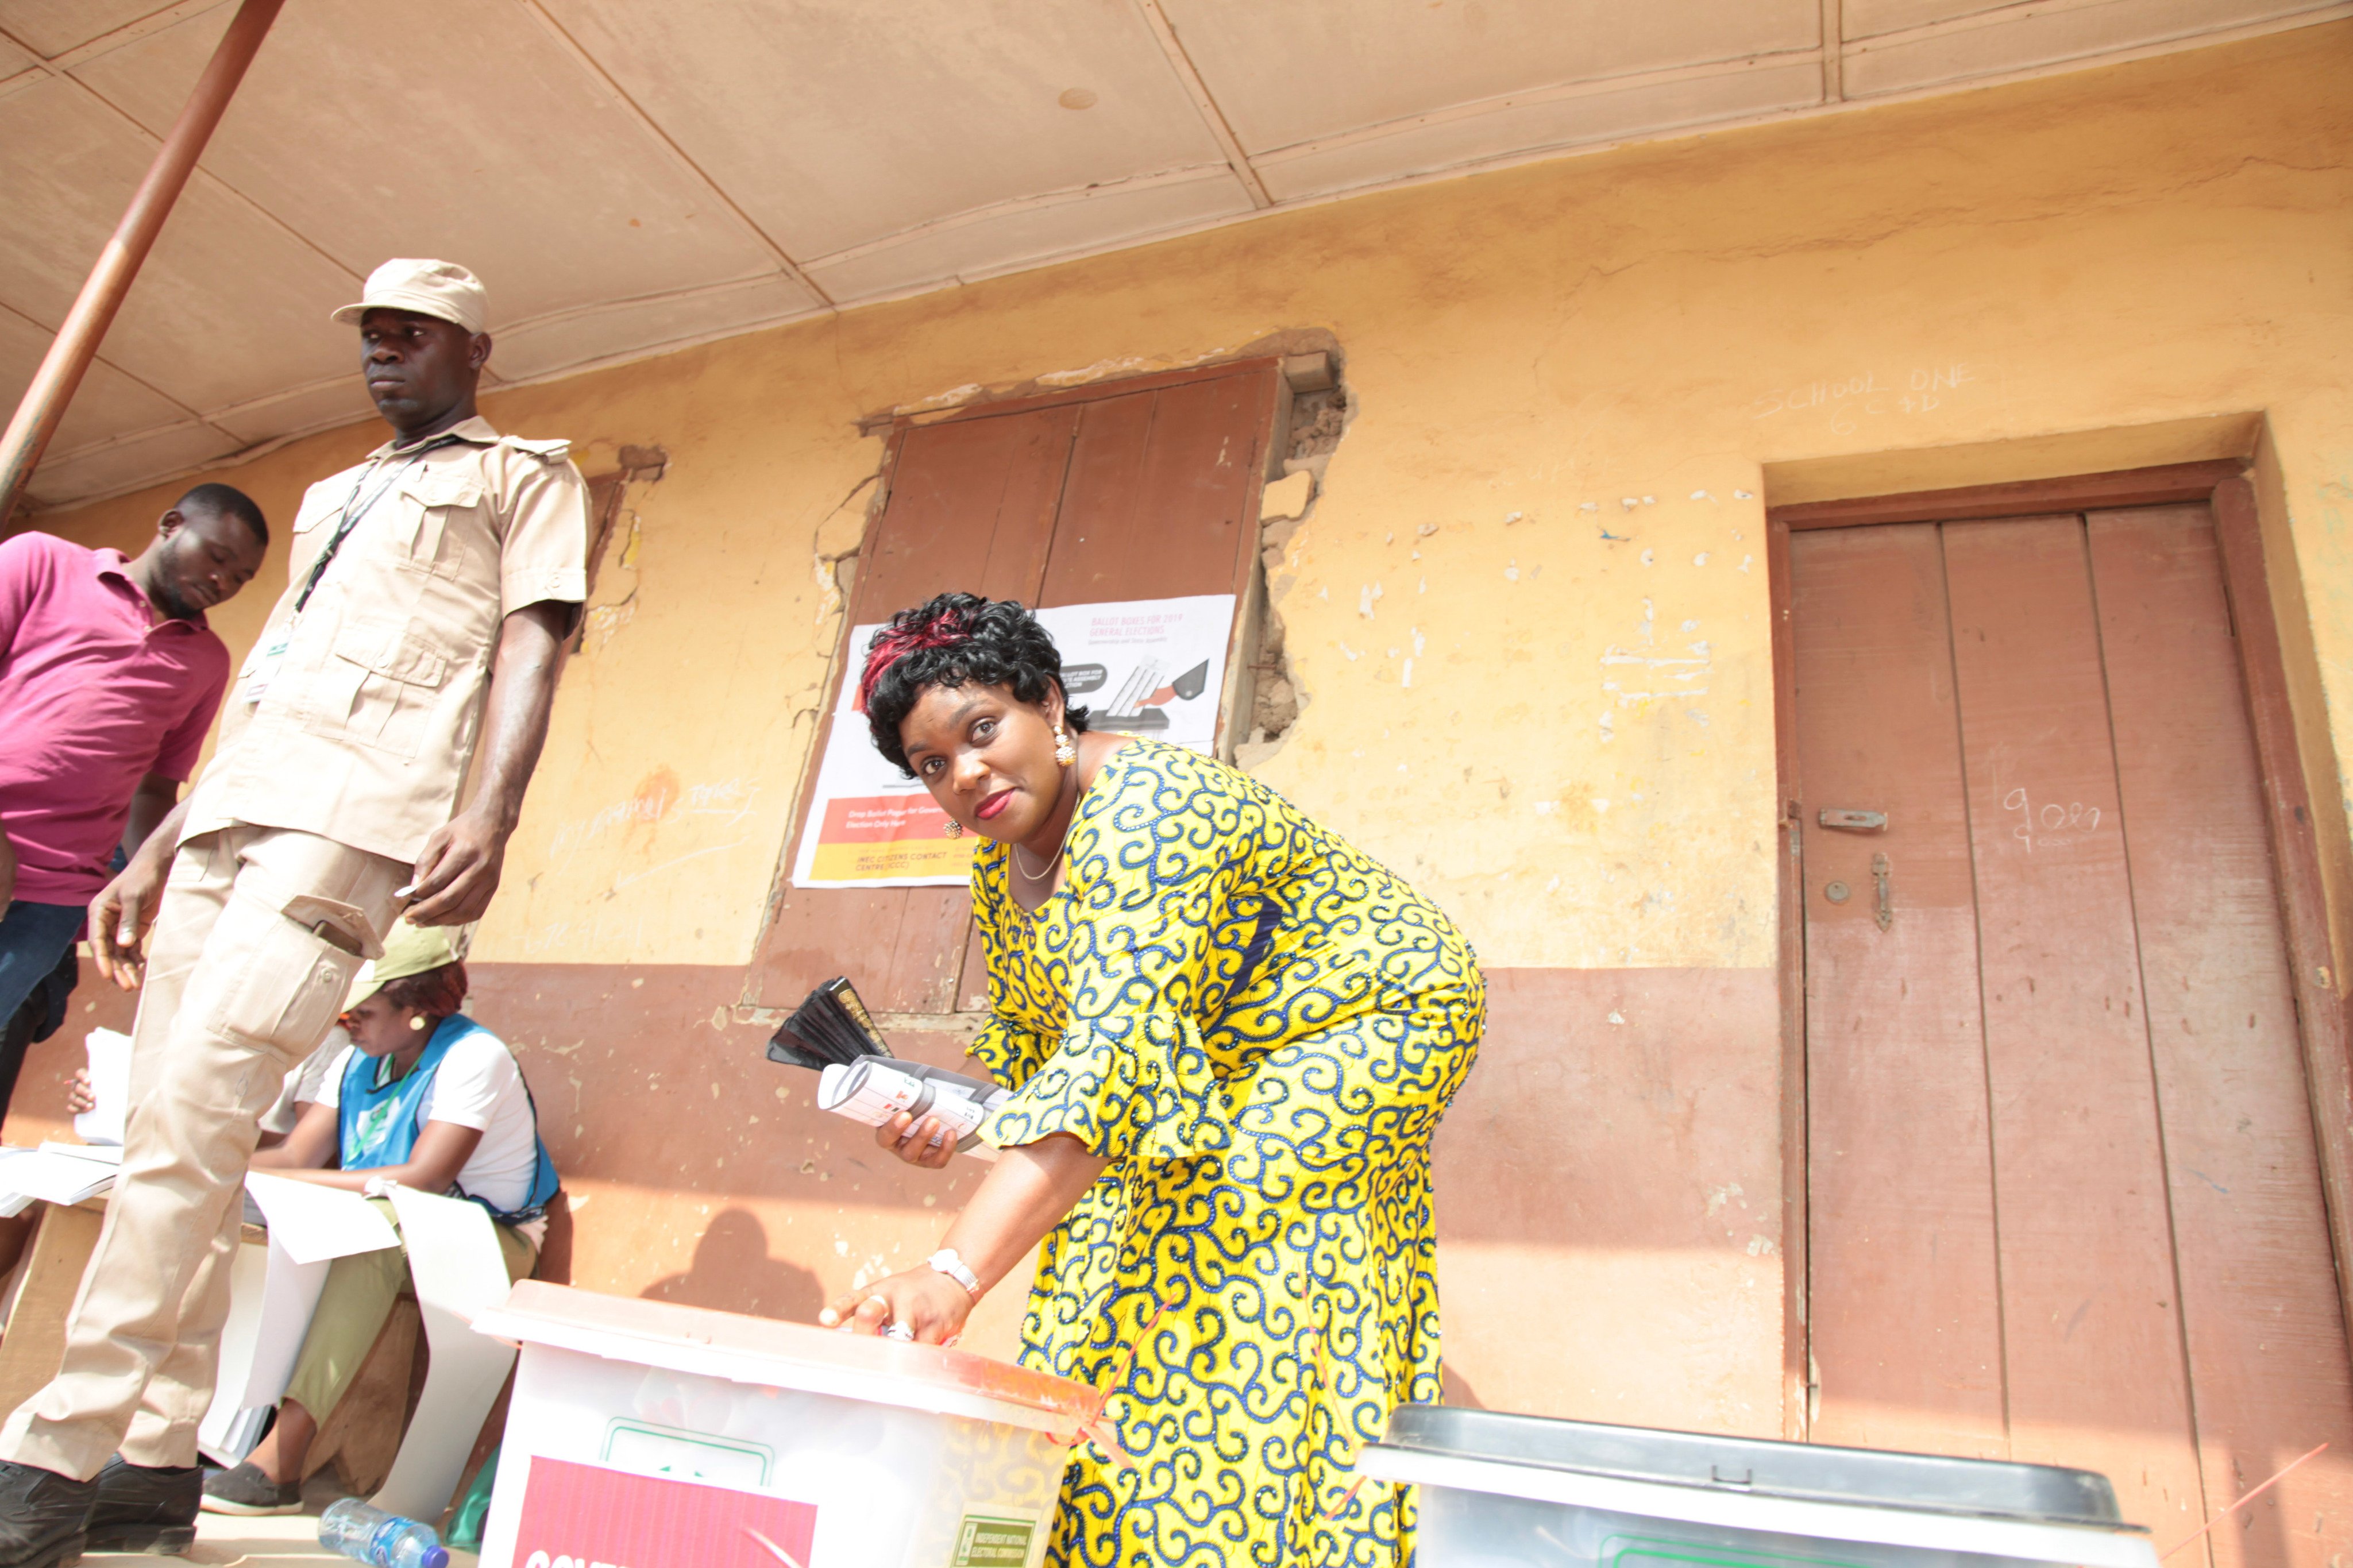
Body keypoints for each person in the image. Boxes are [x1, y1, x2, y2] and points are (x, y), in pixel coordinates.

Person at [0, 257, 588, 1567]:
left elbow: (532, 644)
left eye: (414, 334)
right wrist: (154, 849)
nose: (385, 351)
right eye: (373, 333)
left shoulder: (524, 477)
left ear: (474, 351)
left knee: (200, 1107)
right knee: (173, 1131)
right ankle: (159, 1458)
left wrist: (491, 813)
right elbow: (265, 682)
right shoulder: (333, 494)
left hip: (352, 824)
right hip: (227, 821)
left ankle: (55, 1446)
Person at [823, 594, 1486, 1567]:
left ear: (1050, 704)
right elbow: (1053, 1053)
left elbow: (1111, 1074)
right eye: (932, 764)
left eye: (982, 729)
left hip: (1371, 1017)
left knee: (1228, 1244)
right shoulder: (1003, 865)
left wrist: (953, 1272)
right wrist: (956, 1122)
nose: (965, 774)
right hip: (1213, 1048)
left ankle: (1242, 1530)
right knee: (1094, 1245)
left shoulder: (1150, 805)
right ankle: (1097, 1526)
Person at [202, 921, 554, 1515]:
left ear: (416, 1009)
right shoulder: (355, 1060)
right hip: (392, 1218)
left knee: (376, 1233)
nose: (349, 1024)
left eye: (362, 1013)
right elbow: (294, 1155)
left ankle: (280, 1463)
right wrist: (215, 1165)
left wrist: (271, 1180)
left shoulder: (475, 1056)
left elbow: (426, 1179)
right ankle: (210, 1429)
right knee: (239, 1207)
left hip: (491, 1238)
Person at [0, 487, 268, 1113]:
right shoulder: (41, 562)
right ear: (171, 525)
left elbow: (155, 787)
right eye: (218, 558)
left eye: (241, 577)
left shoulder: (207, 662)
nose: (224, 581)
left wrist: (148, 887)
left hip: (52, 899)